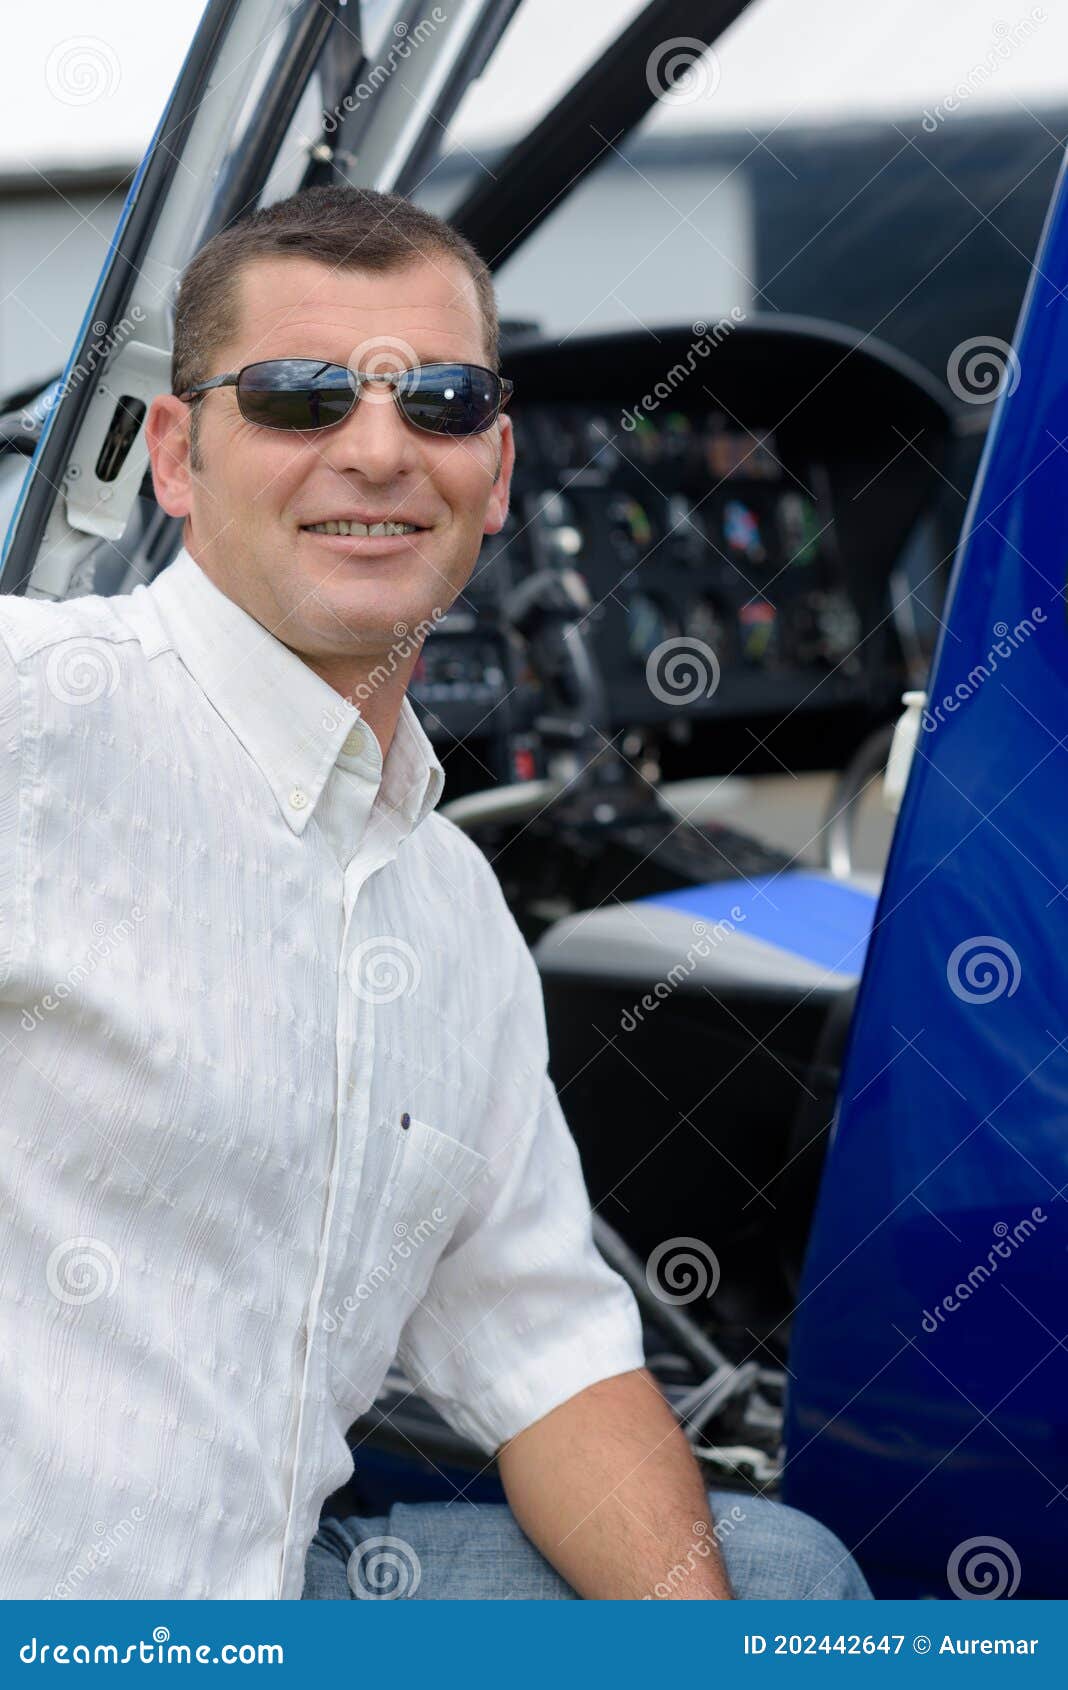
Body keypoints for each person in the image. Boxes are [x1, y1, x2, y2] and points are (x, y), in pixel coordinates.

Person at [0, 184, 870, 1601]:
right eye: (298, 397)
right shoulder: (37, 710)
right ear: (174, 455)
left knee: (776, 1583)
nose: (378, 449)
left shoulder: (453, 906)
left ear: (501, 467)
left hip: (272, 1585)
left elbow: (558, 1363)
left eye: (443, 402)